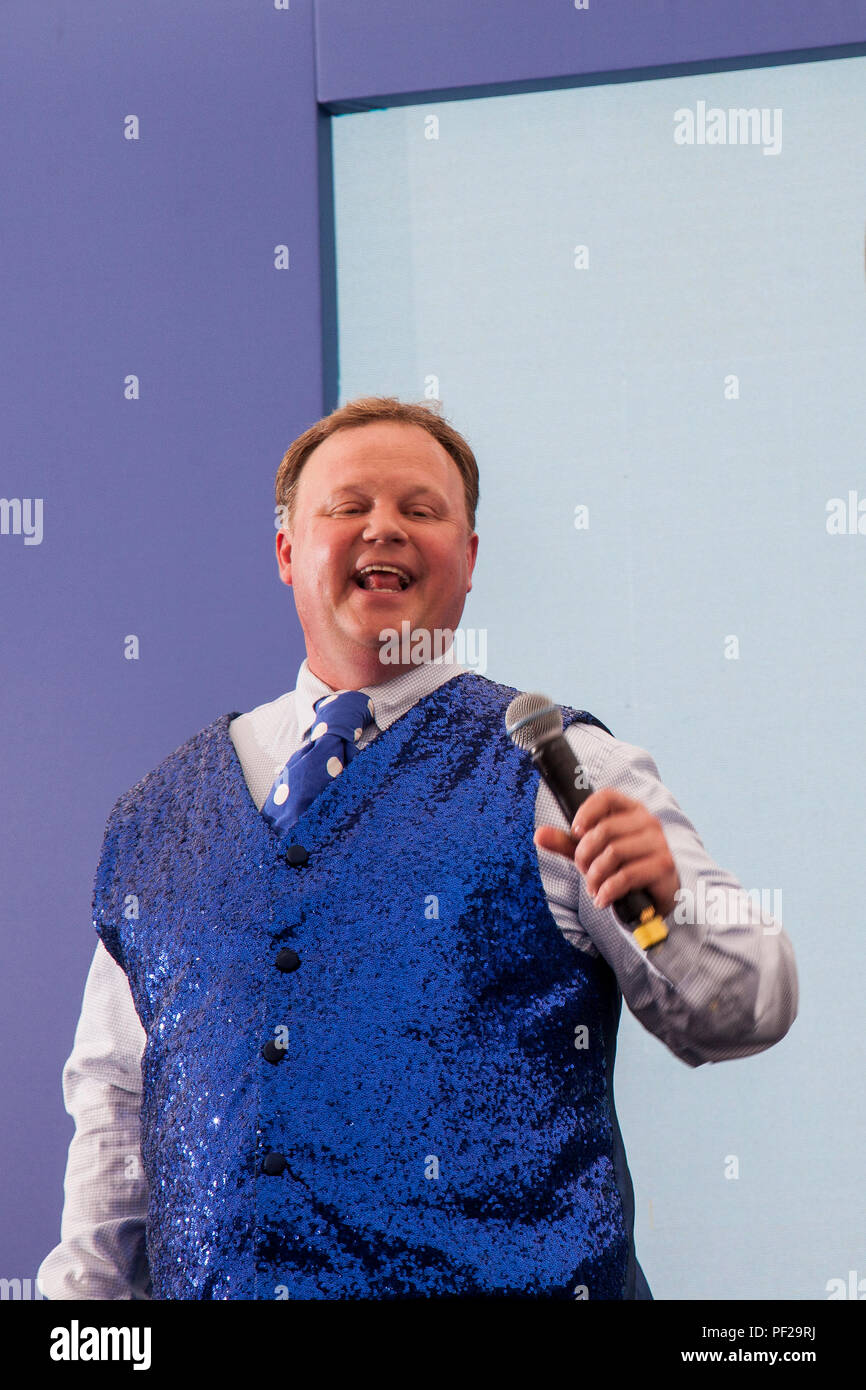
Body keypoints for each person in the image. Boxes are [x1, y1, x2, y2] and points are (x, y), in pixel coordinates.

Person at [38, 396, 797, 1301]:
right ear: (287, 552)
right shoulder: (160, 815)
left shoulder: (567, 769)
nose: (384, 529)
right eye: (349, 506)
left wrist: (671, 917)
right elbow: (116, 1112)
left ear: (469, 560)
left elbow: (747, 1009)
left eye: (421, 510)